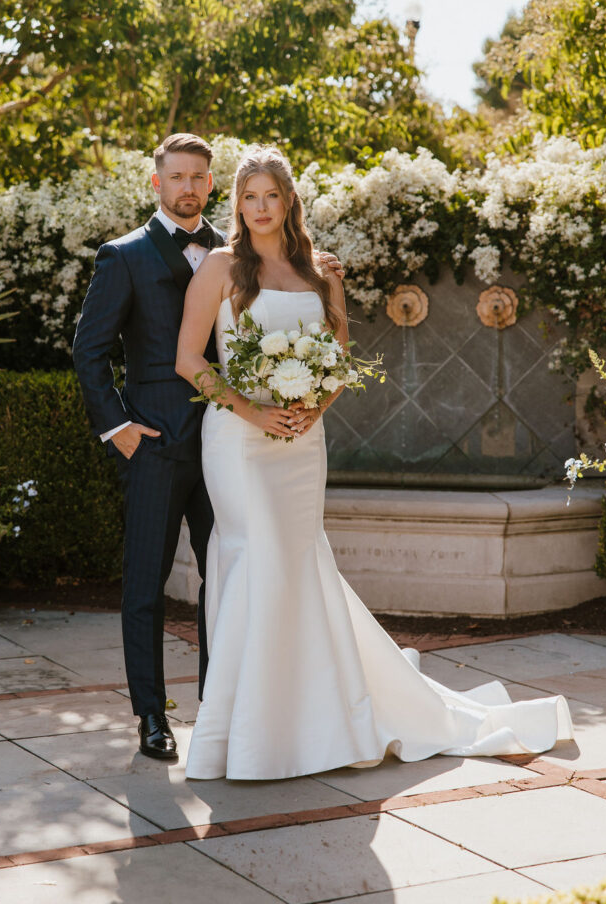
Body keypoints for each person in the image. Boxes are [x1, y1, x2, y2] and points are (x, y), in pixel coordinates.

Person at [176, 145, 574, 780]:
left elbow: (339, 363)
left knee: (299, 560)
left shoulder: (322, 273)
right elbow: (190, 361)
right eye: (248, 197)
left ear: (288, 202)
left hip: (302, 443)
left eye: (270, 196)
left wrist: (312, 408)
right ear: (237, 203)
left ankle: (313, 721)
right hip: (238, 440)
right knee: (254, 558)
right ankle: (246, 732)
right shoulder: (221, 266)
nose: (259, 208)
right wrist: (253, 412)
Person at [73, 133, 343, 763]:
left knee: (226, 577)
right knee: (144, 583)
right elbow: (90, 353)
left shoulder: (239, 258)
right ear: (156, 183)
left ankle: (220, 709)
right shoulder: (124, 255)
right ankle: (150, 718)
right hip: (159, 445)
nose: (188, 187)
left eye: (199, 177)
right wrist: (122, 430)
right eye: (177, 177)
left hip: (235, 446)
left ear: (212, 186)